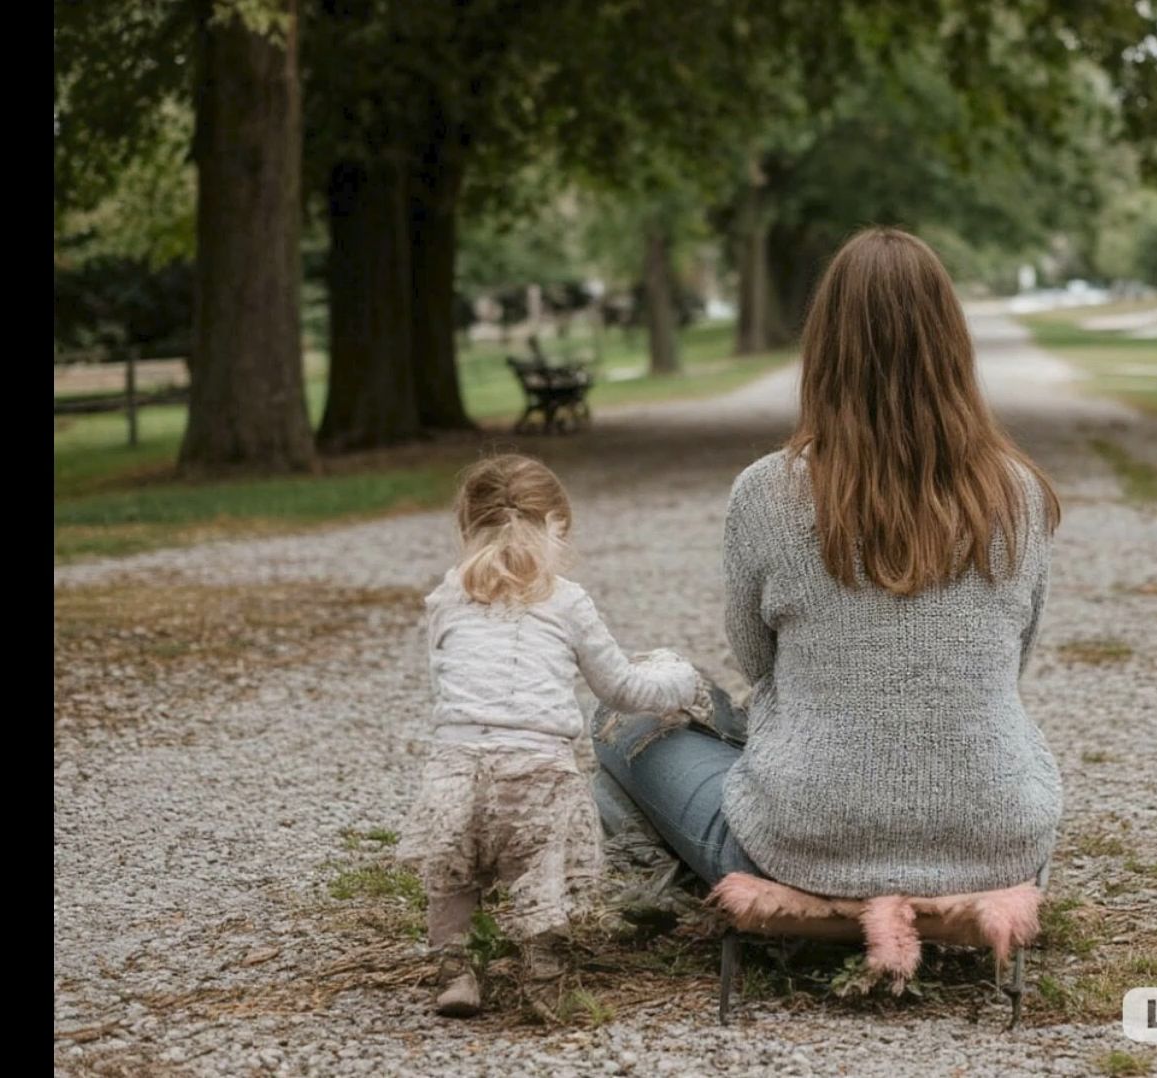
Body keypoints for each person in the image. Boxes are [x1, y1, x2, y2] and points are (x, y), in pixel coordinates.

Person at [594, 226, 1064, 921]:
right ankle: (948, 902)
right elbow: (1012, 656)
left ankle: (700, 892)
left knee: (621, 716)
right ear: (952, 345)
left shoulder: (767, 492)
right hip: (997, 844)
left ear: (825, 348)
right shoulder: (1018, 493)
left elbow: (757, 660)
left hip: (802, 848)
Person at [396, 454, 702, 1018]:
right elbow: (622, 688)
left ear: (466, 526)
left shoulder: (445, 598)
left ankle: (456, 974)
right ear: (557, 525)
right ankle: (544, 981)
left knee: (454, 878)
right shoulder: (564, 599)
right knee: (541, 877)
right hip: (536, 775)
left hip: (456, 769)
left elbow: (449, 684)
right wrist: (681, 679)